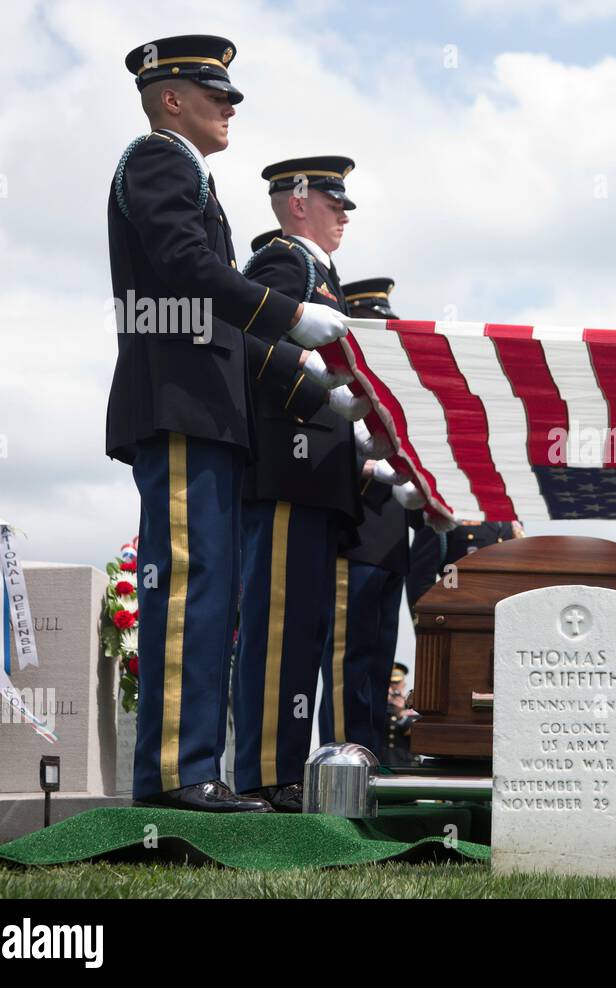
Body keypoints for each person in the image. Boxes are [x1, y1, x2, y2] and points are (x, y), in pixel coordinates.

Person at [108, 35, 348, 812]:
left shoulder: (191, 173)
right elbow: (185, 268)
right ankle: (178, 775)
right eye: (217, 95)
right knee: (189, 586)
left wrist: (316, 397)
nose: (231, 107)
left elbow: (225, 328)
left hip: (207, 412)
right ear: (170, 98)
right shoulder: (158, 158)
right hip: (179, 404)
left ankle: (194, 770)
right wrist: (286, 314)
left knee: (210, 593)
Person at [230, 155, 370, 811]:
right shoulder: (285, 262)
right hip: (289, 468)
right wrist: (314, 383)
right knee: (280, 625)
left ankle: (286, 767)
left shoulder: (323, 273)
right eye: (334, 202)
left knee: (305, 630)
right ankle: (265, 771)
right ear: (297, 203)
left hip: (318, 475)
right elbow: (248, 338)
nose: (344, 214)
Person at [320, 277, 425, 760]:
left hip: (389, 543)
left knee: (379, 664)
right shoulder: (337, 382)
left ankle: (371, 761)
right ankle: (345, 760)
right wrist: (370, 467)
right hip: (353, 534)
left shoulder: (397, 396)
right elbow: (321, 445)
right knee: (348, 660)